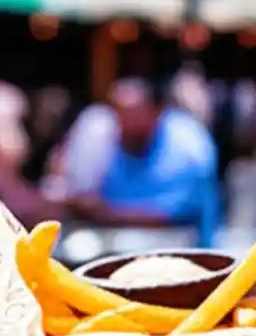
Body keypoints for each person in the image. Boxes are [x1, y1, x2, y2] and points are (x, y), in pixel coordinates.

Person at [68, 79, 221, 245]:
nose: (126, 124)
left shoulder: (187, 142)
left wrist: (108, 214)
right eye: (120, 116)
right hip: (118, 241)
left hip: (183, 244)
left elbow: (180, 214)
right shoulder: (104, 135)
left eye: (134, 114)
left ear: (155, 112)